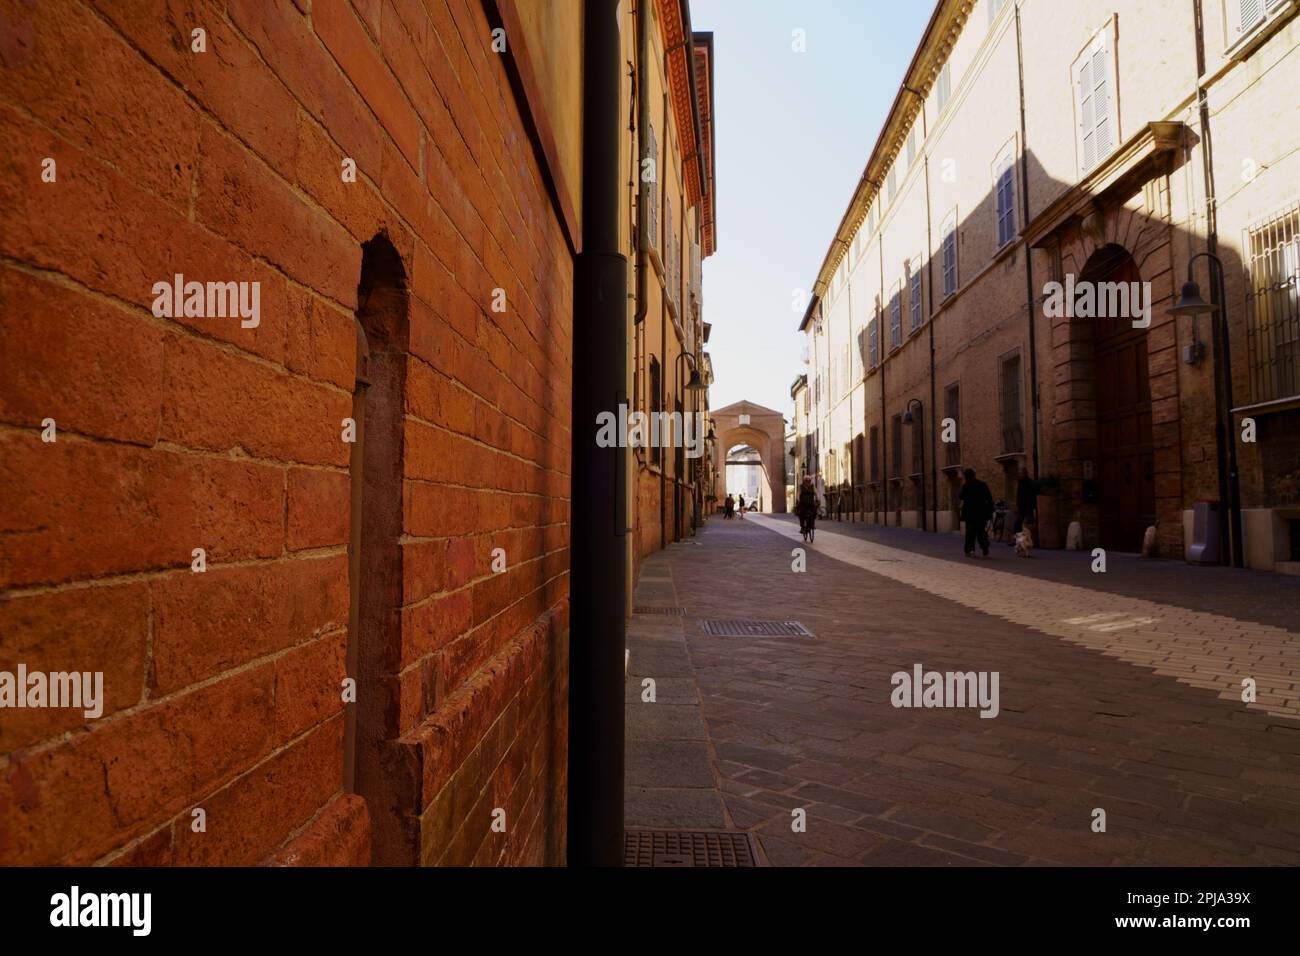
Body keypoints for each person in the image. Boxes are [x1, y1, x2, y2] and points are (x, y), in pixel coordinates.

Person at [959, 467, 994, 557]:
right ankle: (984, 546)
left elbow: (961, 496)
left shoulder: (966, 486)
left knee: (970, 533)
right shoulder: (982, 484)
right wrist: (990, 511)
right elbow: (989, 498)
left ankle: (970, 550)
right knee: (981, 531)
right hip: (981, 513)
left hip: (970, 514)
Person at [1014, 465, 1037, 537]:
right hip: (1022, 507)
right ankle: (1018, 540)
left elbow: (1032, 495)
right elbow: (1019, 495)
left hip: (1028, 507)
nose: (1020, 474)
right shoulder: (1020, 482)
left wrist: (1032, 506)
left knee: (1029, 524)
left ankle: (1029, 540)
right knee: (1018, 524)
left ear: (1025, 473)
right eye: (1019, 473)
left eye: (1021, 473)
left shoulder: (1029, 483)